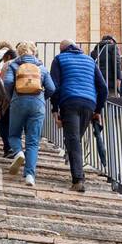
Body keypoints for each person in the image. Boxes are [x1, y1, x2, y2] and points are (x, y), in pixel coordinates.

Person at [49, 39, 107, 193]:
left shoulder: (59, 59)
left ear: (62, 50)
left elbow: (54, 86)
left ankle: (78, 180)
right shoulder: (89, 60)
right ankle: (77, 169)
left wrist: (55, 109)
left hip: (70, 102)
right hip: (89, 103)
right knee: (75, 139)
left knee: (73, 140)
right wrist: (98, 110)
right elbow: (103, 88)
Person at [4, 43, 55, 188]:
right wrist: (41, 99)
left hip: (18, 102)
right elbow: (51, 88)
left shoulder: (14, 66)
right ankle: (30, 176)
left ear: (19, 53)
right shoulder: (41, 67)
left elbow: (7, 82)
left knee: (14, 135)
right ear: (34, 52)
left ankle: (19, 153)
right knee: (33, 142)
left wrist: (11, 97)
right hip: (37, 104)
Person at [0, 44, 17, 156]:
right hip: (22, 99)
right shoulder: (24, 64)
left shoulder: (6, 65)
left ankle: (8, 148)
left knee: (3, 123)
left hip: (8, 99)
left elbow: (3, 85)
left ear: (6, 57)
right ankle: (19, 150)